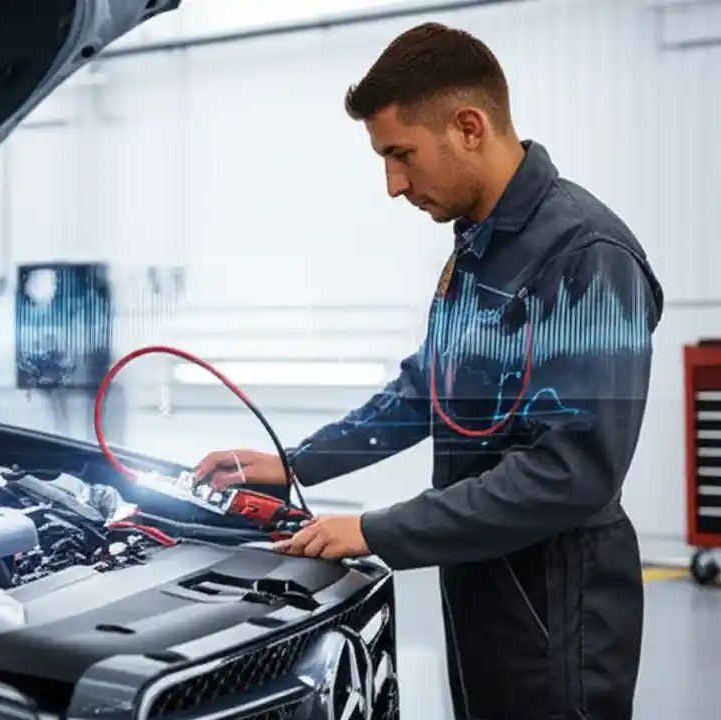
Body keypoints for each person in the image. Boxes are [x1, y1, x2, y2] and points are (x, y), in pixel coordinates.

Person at [193, 22, 662, 720]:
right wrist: (294, 464)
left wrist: (378, 530)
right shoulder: (482, 245)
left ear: (469, 127)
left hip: (558, 607)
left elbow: (573, 471)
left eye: (400, 154)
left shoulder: (585, 255)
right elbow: (424, 392)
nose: (392, 184)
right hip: (482, 583)